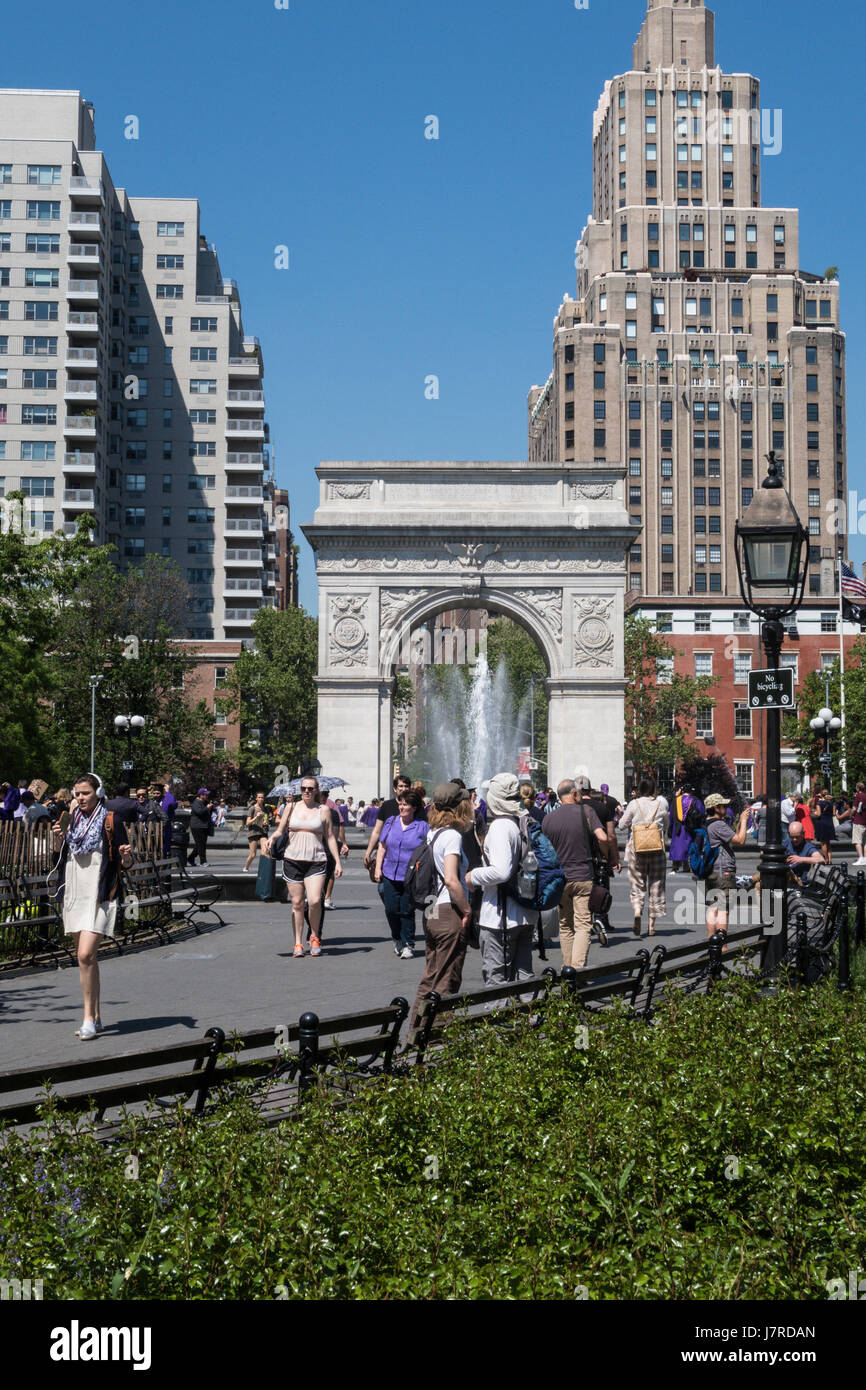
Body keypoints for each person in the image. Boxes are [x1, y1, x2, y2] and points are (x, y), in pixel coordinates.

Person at [53, 773, 134, 1039]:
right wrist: (57, 837)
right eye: (77, 793)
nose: (80, 798)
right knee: (87, 960)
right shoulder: (71, 821)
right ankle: (96, 1016)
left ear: (98, 793)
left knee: (86, 955)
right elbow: (60, 855)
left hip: (100, 894)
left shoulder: (111, 819)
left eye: (85, 793)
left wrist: (126, 857)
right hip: (76, 892)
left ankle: (87, 1017)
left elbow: (126, 863)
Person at [408, 783, 474, 1032]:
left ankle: (413, 1036)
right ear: (460, 806)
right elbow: (450, 879)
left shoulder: (432, 832)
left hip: (431, 910)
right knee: (446, 981)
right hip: (448, 910)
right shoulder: (452, 836)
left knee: (429, 978)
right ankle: (435, 1042)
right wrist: (466, 909)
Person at [468, 772, 539, 990]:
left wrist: (473, 876)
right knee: (524, 976)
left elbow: (501, 872)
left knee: (497, 978)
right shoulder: (524, 821)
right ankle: (530, 1020)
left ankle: (499, 1023)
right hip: (525, 913)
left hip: (500, 918)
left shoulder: (500, 827)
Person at [268, 776, 343, 957]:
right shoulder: (290, 807)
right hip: (293, 859)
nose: (307, 791)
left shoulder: (323, 810)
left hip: (316, 860)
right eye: (303, 788)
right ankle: (298, 943)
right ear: (299, 790)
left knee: (316, 900)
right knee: (297, 903)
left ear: (317, 790)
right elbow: (280, 829)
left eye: (310, 788)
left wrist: (338, 861)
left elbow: (330, 837)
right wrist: (273, 838)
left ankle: (315, 935)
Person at [543, 778, 607, 968]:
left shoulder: (548, 819)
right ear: (573, 794)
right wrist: (605, 854)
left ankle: (566, 969)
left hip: (560, 878)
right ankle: (577, 970)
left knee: (565, 925)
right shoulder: (586, 812)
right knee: (582, 925)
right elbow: (603, 837)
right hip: (583, 875)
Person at [374, 787, 427, 957]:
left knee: (406, 910)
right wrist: (377, 868)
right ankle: (397, 937)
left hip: (411, 876)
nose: (402, 807)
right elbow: (382, 846)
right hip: (389, 873)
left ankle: (408, 944)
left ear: (414, 808)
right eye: (401, 804)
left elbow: (428, 852)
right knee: (390, 909)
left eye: (406, 805)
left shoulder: (422, 827)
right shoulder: (391, 822)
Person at [618, 777, 669, 938]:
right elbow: (666, 825)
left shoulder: (634, 804)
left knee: (637, 884)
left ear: (639, 789)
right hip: (656, 849)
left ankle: (637, 911)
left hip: (637, 849)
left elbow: (621, 825)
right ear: (654, 789)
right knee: (656, 885)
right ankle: (651, 926)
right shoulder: (661, 804)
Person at [703, 793, 750, 938]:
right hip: (723, 872)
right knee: (723, 910)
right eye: (723, 805)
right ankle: (721, 946)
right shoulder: (718, 825)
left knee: (713, 908)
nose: (726, 807)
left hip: (710, 871)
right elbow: (740, 840)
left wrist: (739, 824)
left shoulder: (707, 823)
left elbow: (731, 838)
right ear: (716, 808)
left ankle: (711, 942)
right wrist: (743, 820)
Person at [364, 774, 414, 869]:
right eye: (401, 786)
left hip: (409, 857)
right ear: (395, 789)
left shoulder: (416, 806)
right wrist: (368, 852)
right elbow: (377, 831)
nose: (404, 789)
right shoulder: (387, 805)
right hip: (387, 856)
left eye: (406, 786)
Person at [669, 785, 704, 872]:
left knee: (677, 846)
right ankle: (689, 866)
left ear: (682, 791)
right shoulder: (695, 800)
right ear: (691, 791)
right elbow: (702, 812)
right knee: (690, 846)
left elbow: (671, 816)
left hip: (678, 827)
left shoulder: (675, 801)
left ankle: (675, 866)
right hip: (691, 827)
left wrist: (671, 827)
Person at [322, 798, 349, 912]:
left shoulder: (332, 806)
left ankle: (327, 898)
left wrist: (343, 843)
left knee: (330, 872)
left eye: (324, 794)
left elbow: (340, 826)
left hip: (329, 844)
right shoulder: (308, 806)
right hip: (314, 845)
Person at [784, 819, 823, 886]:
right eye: (792, 837)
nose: (794, 839)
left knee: (776, 889)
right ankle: (767, 896)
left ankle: (775, 896)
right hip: (785, 878)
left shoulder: (808, 846)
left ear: (803, 834)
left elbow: (821, 859)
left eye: (797, 837)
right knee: (765, 883)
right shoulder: (786, 842)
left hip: (799, 882)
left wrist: (801, 859)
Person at [188, 788, 214, 867]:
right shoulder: (196, 803)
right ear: (201, 795)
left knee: (200, 844)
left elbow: (207, 814)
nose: (207, 796)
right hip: (197, 826)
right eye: (205, 794)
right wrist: (207, 808)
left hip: (204, 826)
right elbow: (199, 812)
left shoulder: (205, 802)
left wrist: (210, 808)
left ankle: (191, 858)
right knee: (201, 844)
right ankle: (203, 861)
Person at [244, 791, 269, 872]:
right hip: (253, 832)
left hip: (263, 832)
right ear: (256, 798)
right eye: (259, 797)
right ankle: (246, 867)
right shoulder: (252, 808)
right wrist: (256, 817)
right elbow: (247, 824)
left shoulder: (265, 809)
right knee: (253, 854)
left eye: (262, 797)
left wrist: (266, 822)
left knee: (265, 852)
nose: (261, 799)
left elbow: (266, 820)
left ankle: (265, 870)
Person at [811, 788, 836, 864]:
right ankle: (830, 860)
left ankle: (825, 860)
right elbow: (834, 814)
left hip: (822, 823)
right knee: (828, 843)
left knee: (823, 843)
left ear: (821, 795)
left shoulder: (819, 803)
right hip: (829, 823)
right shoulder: (831, 803)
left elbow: (818, 814)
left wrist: (814, 813)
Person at [852, 782, 866, 867]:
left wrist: (851, 815)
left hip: (859, 821)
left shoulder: (858, 796)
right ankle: (865, 858)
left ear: (857, 788)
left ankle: (861, 858)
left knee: (857, 841)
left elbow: (854, 809)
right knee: (865, 841)